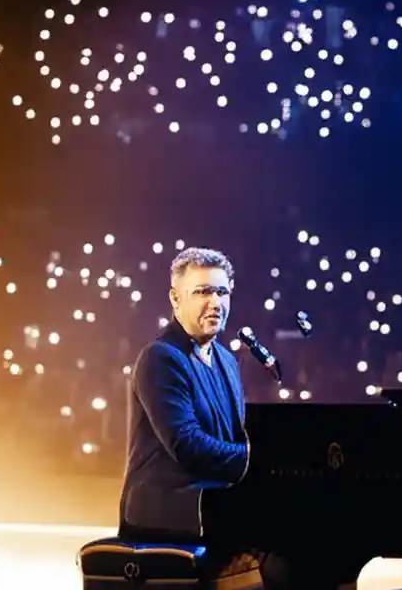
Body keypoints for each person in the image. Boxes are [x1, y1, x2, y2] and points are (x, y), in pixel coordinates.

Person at [119, 247, 304, 588]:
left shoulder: (227, 361)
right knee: (289, 547)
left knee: (310, 536)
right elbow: (188, 447)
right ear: (175, 299)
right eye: (202, 292)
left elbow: (235, 439)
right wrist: (256, 460)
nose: (216, 302)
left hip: (216, 498)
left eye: (222, 291)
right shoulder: (160, 358)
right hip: (170, 504)